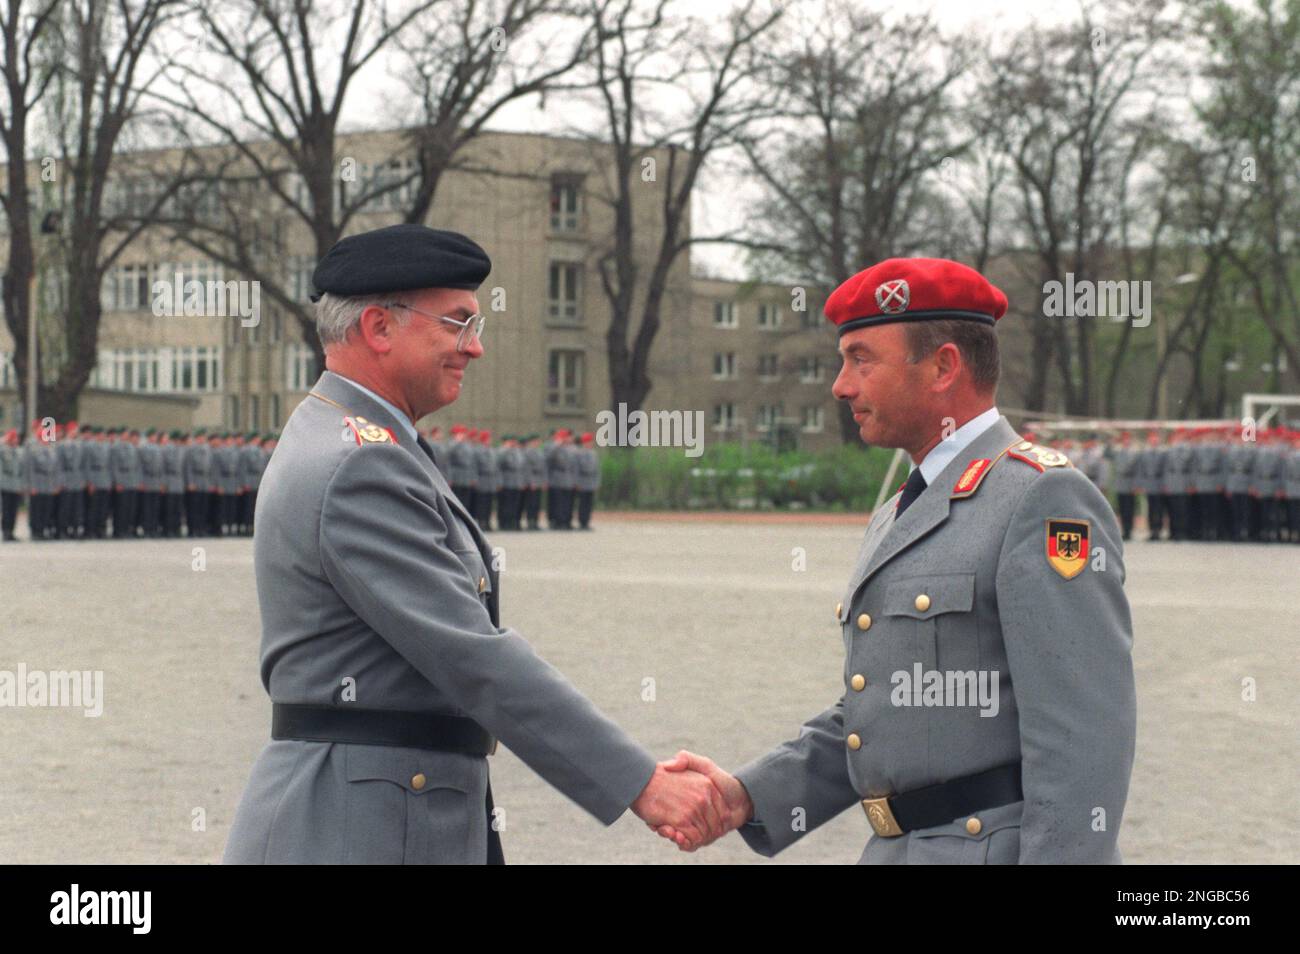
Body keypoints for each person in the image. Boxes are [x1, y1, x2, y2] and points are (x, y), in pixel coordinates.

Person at [224, 223, 724, 865]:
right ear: (380, 328)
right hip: (362, 824)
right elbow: (473, 656)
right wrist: (641, 784)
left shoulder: (361, 440)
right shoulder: (360, 463)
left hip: (385, 804)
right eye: (457, 323)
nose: (476, 347)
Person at [656, 257, 1136, 864]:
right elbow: (889, 707)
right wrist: (747, 795)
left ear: (943, 368)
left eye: (862, 359)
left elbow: (1084, 738)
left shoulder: (1040, 497)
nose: (840, 385)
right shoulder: (901, 508)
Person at [0, 429, 23, 541]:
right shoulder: (3, 450)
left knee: (14, 510)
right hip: (6, 485)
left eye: (16, 438)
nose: (16, 440)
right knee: (7, 510)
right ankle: (6, 531)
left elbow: (21, 469)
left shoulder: (19, 451)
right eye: (13, 438)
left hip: (16, 485)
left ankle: (11, 531)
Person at [575, 431, 600, 529]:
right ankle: (582, 522)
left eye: (590, 442)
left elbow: (597, 470)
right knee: (582, 503)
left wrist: (597, 483)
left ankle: (586, 522)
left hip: (591, 481)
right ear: (584, 443)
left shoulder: (594, 453)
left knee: (589, 503)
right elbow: (576, 469)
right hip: (582, 481)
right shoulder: (579, 453)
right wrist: (577, 482)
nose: (589, 444)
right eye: (587, 442)